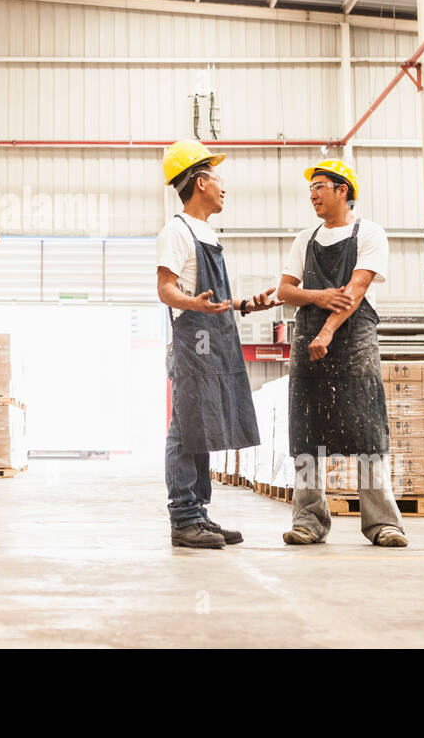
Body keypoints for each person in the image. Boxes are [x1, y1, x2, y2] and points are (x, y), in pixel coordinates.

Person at [274, 159, 408, 548]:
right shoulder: (305, 238)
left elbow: (355, 290)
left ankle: (382, 522)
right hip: (308, 343)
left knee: (366, 427)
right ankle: (308, 519)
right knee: (306, 429)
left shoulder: (371, 234)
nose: (312, 194)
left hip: (353, 341)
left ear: (342, 190)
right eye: (310, 189)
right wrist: (317, 297)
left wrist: (328, 330)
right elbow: (285, 290)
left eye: (320, 186)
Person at [156, 140, 279, 549]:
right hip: (195, 340)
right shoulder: (176, 231)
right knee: (185, 427)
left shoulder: (204, 232)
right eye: (218, 179)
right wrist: (195, 306)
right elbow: (166, 289)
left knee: (203, 425)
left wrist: (245, 305)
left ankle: (199, 513)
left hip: (214, 335)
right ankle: (183, 517)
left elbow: (211, 296)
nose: (223, 187)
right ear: (200, 182)